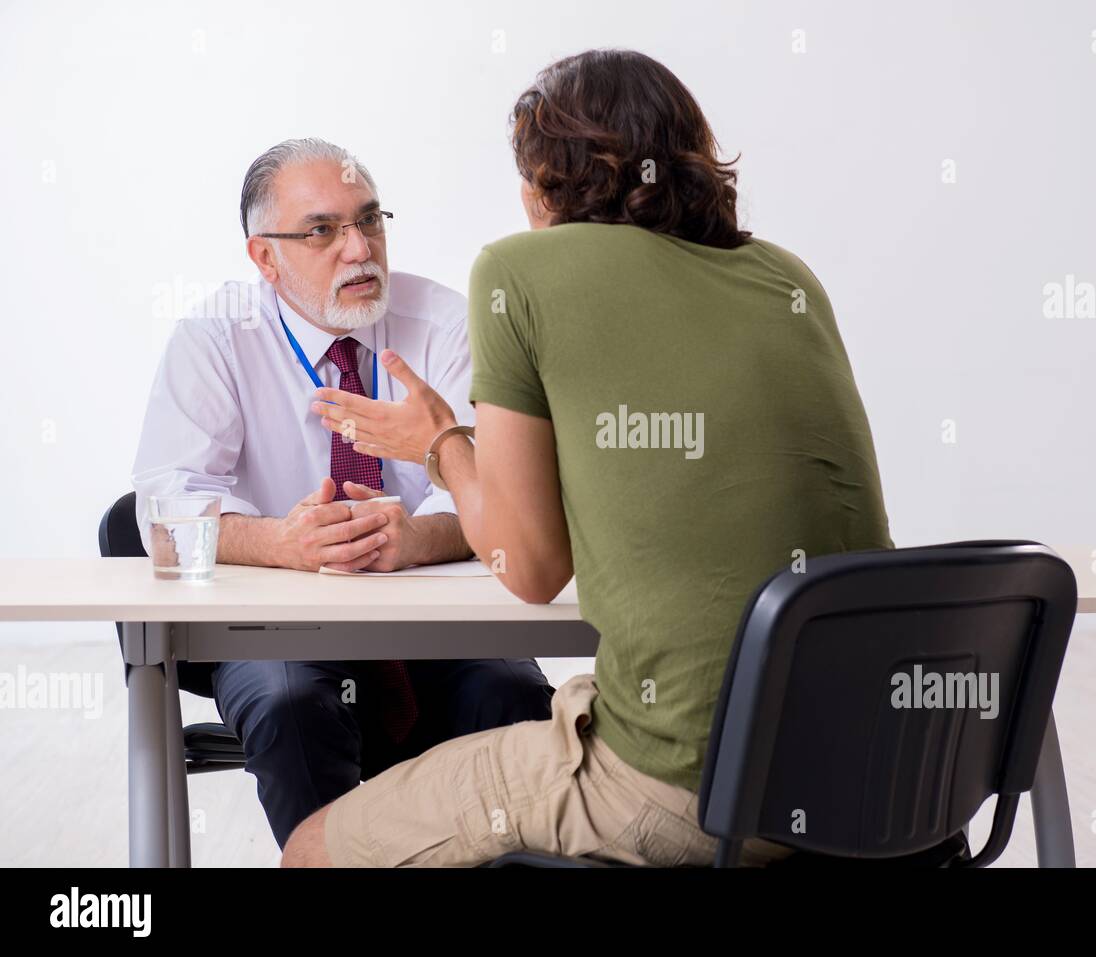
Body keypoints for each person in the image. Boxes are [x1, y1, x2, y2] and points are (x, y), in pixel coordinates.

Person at [282, 51, 893, 867]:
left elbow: (530, 568)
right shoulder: (789, 278)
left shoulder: (519, 269)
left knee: (313, 847)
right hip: (878, 768)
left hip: (693, 784)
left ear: (546, 182)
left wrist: (439, 443)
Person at [130, 138, 554, 848]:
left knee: (510, 697)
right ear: (265, 258)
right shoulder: (216, 336)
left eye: (370, 220)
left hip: (434, 620)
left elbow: (503, 492)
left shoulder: (448, 323)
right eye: (322, 230)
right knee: (291, 704)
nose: (359, 250)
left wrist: (417, 538)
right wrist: (281, 542)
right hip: (276, 628)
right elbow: (163, 513)